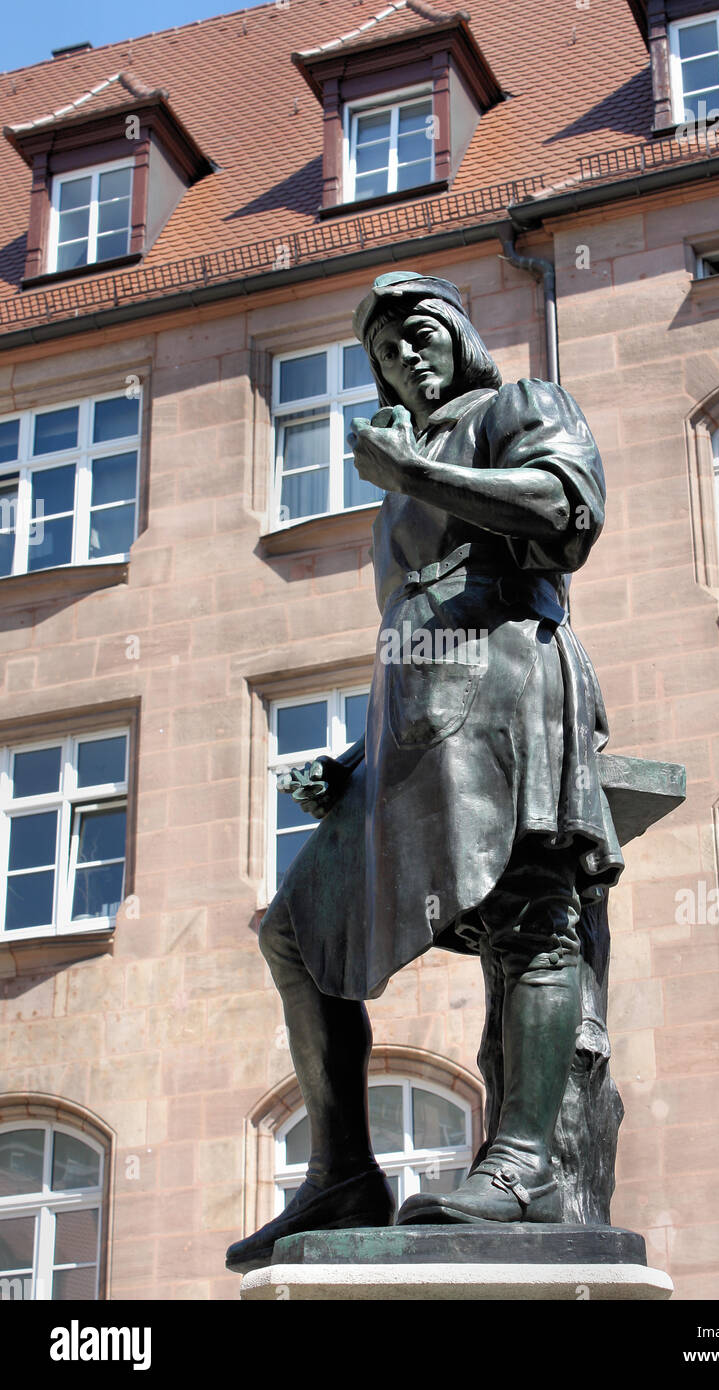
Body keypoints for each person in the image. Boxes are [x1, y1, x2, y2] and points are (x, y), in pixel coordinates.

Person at [226, 271, 623, 1273]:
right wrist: (351, 759)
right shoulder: (398, 481)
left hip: (511, 692)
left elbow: (563, 512)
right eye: (385, 349)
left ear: (459, 335)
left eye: (420, 332)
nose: (406, 354)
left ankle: (524, 1161)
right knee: (295, 933)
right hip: (414, 721)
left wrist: (413, 475)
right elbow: (419, 632)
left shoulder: (515, 406)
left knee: (534, 910)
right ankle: (345, 1171)